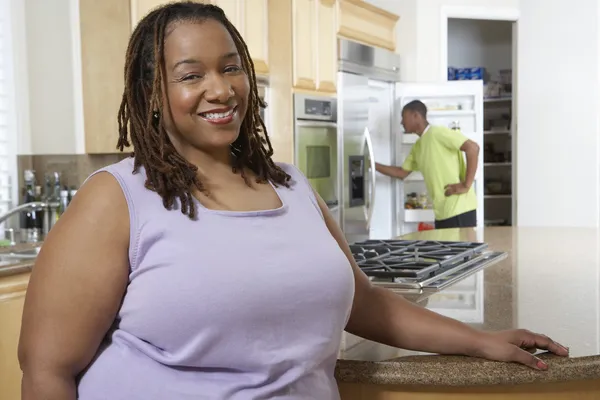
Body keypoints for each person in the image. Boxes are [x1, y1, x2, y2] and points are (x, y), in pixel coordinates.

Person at [17, 3, 568, 400]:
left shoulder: (290, 184)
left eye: (231, 66)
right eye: (191, 75)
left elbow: (363, 304)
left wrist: (480, 341)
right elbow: (46, 370)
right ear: (152, 95)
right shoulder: (117, 198)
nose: (220, 88)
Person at [376, 100, 480, 229]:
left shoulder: (438, 133)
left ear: (416, 116)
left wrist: (466, 185)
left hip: (459, 210)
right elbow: (401, 173)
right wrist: (372, 164)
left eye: (404, 117)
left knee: (461, 249)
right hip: (441, 214)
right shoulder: (418, 147)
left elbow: (473, 148)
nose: (402, 122)